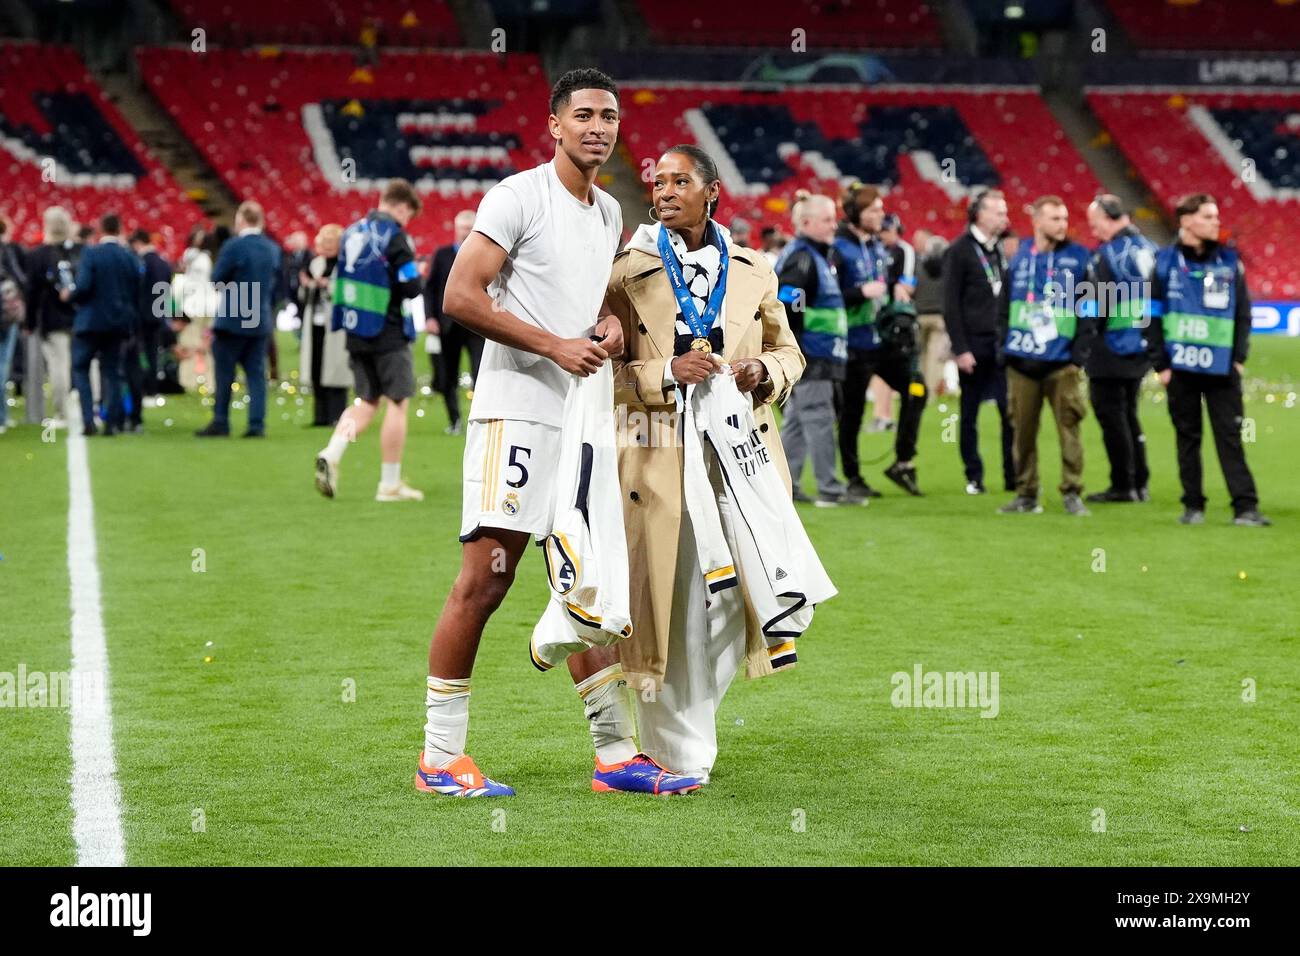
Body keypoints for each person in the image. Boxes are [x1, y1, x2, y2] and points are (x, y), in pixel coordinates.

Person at [417, 68, 699, 798]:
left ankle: (614, 758)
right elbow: (460, 293)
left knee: (584, 582)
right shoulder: (518, 195)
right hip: (516, 410)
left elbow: (590, 297)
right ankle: (439, 759)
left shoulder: (608, 211)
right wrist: (552, 344)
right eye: (583, 115)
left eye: (608, 115)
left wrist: (605, 323)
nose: (598, 126)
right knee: (485, 581)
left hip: (580, 422)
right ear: (554, 124)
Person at [606, 145, 804, 783]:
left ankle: (691, 723)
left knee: (736, 600)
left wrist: (760, 371)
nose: (664, 191)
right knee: (674, 594)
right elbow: (599, 372)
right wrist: (667, 371)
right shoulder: (624, 270)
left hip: (740, 456)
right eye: (658, 182)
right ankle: (675, 747)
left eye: (679, 181)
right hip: (659, 455)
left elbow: (789, 353)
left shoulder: (755, 268)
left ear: (711, 190)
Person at [1148, 193, 1270, 527]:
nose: (1216, 222)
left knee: (1230, 437)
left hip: (1222, 369)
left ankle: (1245, 507)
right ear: (1186, 221)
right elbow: (1151, 315)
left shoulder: (1230, 261)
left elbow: (1244, 313)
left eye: (1216, 216)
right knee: (1187, 439)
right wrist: (1162, 365)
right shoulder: (1164, 261)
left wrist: (1239, 359)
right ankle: (1193, 506)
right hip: (1181, 368)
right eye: (1208, 216)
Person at [314, 180, 426, 499]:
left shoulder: (351, 231)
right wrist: (417, 273)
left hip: (355, 329)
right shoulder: (394, 235)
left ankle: (332, 452)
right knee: (397, 402)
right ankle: (389, 482)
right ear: (402, 207)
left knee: (366, 401)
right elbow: (411, 287)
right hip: (387, 330)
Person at [996, 195, 1094, 516]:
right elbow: (1003, 308)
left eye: (1064, 219)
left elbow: (1090, 310)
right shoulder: (1019, 257)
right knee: (1022, 432)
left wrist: (1077, 357)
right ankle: (1026, 494)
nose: (1062, 225)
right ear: (1037, 221)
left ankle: (1072, 492)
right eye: (1054, 219)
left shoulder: (1079, 259)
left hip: (1061, 363)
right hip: (1022, 363)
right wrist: (1004, 349)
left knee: (1070, 429)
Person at [834, 188, 925, 498]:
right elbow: (827, 298)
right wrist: (860, 292)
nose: (880, 216)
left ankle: (902, 460)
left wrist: (898, 290)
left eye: (881, 209)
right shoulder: (838, 248)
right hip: (853, 344)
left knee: (918, 389)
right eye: (873, 210)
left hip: (882, 342)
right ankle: (853, 476)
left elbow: (894, 281)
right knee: (853, 412)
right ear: (855, 213)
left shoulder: (876, 246)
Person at [775, 191, 849, 506]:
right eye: (828, 219)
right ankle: (830, 489)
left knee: (796, 419)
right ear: (806, 223)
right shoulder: (804, 257)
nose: (835, 225)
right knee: (819, 417)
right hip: (812, 354)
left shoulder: (811, 255)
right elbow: (788, 303)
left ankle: (784, 486)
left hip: (814, 353)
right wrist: (796, 347)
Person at [1083, 195, 1154, 504]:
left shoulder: (1108, 254)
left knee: (1112, 415)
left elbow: (1098, 305)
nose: (1093, 230)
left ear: (1111, 218)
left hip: (1111, 346)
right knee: (1129, 414)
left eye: (1095, 223)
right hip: (1142, 344)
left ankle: (1123, 484)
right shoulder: (1152, 249)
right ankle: (1140, 481)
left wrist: (1084, 339)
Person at [943, 188, 1014, 495]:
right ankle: (974, 476)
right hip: (972, 344)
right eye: (999, 212)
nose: (1005, 218)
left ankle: (1013, 476)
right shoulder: (958, 250)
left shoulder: (997, 249)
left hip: (1000, 343)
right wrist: (960, 348)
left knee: (1009, 412)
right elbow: (950, 304)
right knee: (969, 414)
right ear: (980, 214)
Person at [195, 201, 281, 437]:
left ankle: (221, 421)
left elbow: (217, 278)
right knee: (256, 374)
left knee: (224, 373)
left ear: (241, 220)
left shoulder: (234, 246)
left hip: (232, 317)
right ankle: (256, 424)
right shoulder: (272, 248)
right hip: (259, 317)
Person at [69, 214, 141, 436]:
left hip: (90, 322)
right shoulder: (128, 256)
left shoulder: (92, 253)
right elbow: (137, 287)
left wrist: (72, 297)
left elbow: (83, 287)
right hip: (118, 323)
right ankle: (111, 422)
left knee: (81, 368)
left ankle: (89, 421)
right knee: (112, 372)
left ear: (100, 229)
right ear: (120, 229)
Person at [424, 209, 484, 434]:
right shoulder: (442, 255)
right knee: (448, 376)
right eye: (462, 229)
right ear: (456, 229)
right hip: (448, 326)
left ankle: (478, 422)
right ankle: (455, 420)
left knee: (481, 373)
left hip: (478, 326)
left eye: (469, 229)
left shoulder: (485, 254)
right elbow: (430, 288)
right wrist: (430, 317)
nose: (465, 233)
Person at [24, 206, 80, 429]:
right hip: (80, 317)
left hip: (52, 318)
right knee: (86, 364)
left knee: (59, 366)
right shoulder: (79, 251)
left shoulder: (38, 255)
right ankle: (92, 408)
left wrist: (29, 322)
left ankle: (61, 413)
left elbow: (32, 293)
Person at [297, 224, 349, 427]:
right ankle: (319, 416)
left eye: (330, 244)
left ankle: (337, 416)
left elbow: (347, 292)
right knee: (316, 368)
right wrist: (308, 286)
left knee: (336, 371)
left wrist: (328, 286)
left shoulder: (345, 265)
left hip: (335, 326)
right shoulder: (315, 264)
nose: (326, 248)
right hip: (315, 324)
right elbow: (304, 296)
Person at [127, 228, 172, 430]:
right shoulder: (163, 263)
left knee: (137, 357)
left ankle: (144, 390)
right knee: (154, 355)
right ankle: (152, 390)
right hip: (158, 314)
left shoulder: (142, 263)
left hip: (142, 316)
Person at [0, 216, 29, 434]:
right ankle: (1, 417)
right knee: (2, 365)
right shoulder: (7, 251)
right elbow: (21, 279)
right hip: (5, 316)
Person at [913, 230, 951, 396]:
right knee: (935, 359)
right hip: (940, 318)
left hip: (919, 315)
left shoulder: (917, 266)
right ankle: (931, 393)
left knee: (919, 357)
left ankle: (918, 391)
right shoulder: (949, 269)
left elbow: (911, 289)